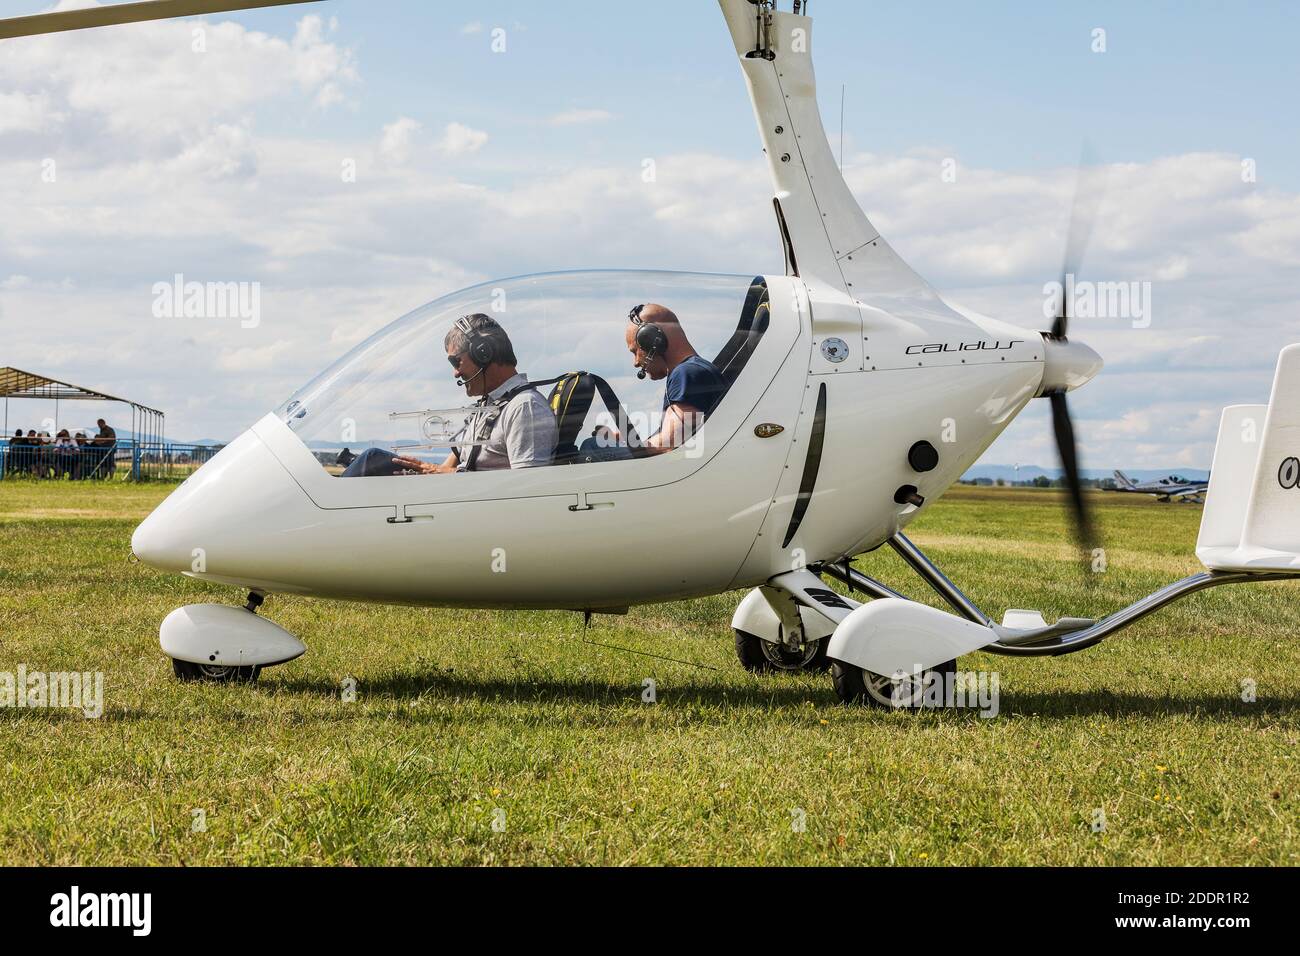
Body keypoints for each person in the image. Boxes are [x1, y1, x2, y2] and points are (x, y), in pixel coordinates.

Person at [342, 313, 558, 477]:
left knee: (372, 459)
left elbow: (529, 488)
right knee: (377, 465)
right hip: (457, 500)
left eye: (456, 361)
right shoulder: (492, 406)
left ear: (484, 354)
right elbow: (449, 467)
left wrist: (443, 474)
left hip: (474, 514)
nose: (455, 372)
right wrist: (424, 470)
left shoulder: (524, 407)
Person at [583, 303, 727, 459]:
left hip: (679, 470)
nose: (636, 362)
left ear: (652, 340)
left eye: (635, 351)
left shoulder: (687, 373)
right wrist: (627, 442)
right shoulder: (691, 371)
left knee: (592, 446)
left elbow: (670, 443)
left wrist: (627, 446)